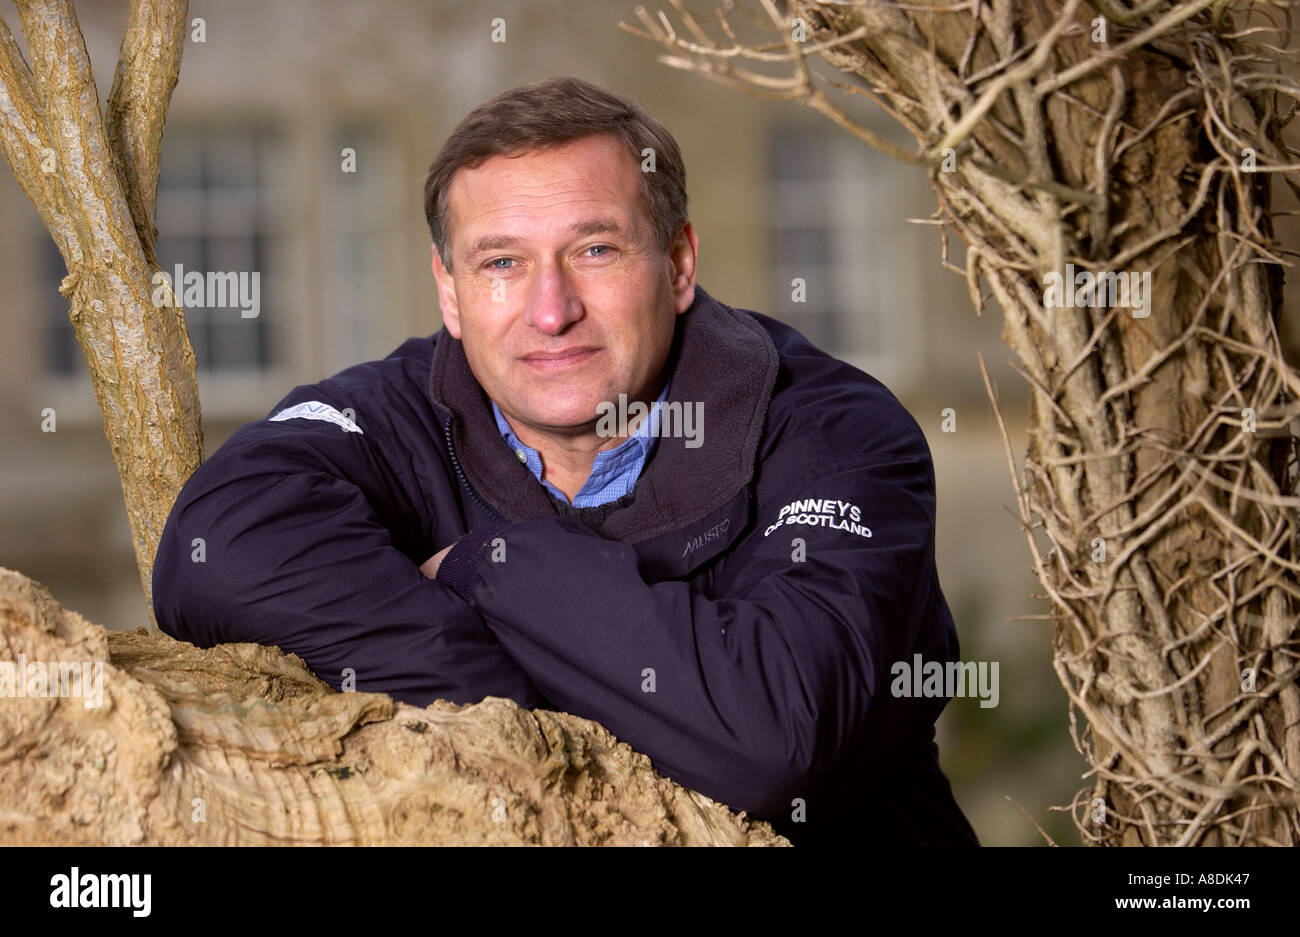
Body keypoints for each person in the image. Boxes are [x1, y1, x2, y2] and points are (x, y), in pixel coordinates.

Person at [152, 76, 979, 847]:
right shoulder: (391, 413)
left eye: (595, 250)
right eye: (502, 263)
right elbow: (214, 552)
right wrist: (526, 721)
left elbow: (772, 741)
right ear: (449, 289)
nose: (551, 312)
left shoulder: (835, 430)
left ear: (680, 264)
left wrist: (487, 569)